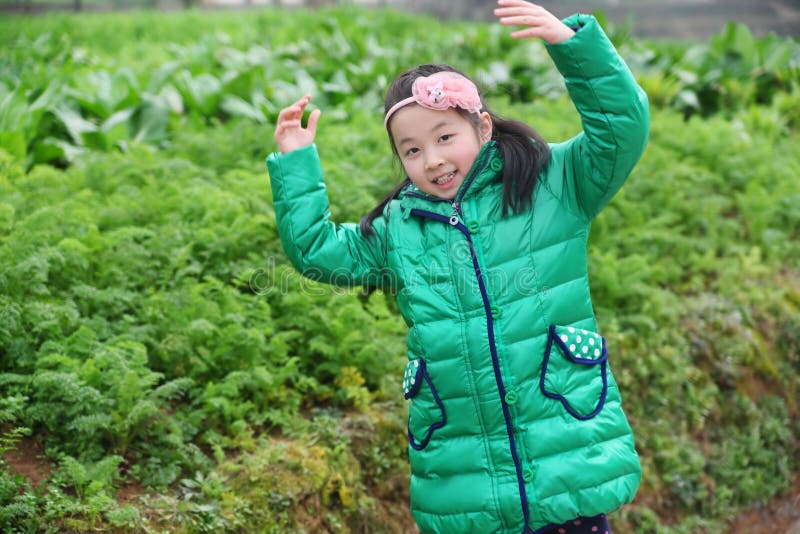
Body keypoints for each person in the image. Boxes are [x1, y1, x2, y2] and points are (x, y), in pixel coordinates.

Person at [266, 0, 650, 532]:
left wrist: (574, 48)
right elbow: (316, 251)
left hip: (566, 452)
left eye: (445, 137)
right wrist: (294, 163)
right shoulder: (400, 230)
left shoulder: (553, 184)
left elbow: (621, 130)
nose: (434, 160)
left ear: (483, 128)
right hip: (464, 479)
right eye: (413, 150)